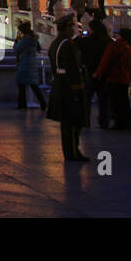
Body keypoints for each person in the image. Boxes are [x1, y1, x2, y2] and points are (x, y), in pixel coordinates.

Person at [47, 14, 89, 162]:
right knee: (72, 122)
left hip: (60, 84)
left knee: (67, 123)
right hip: (69, 87)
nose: (74, 28)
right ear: (66, 28)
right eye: (72, 25)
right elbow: (72, 68)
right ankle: (73, 152)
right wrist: (78, 88)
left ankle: (71, 152)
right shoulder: (67, 44)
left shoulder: (56, 44)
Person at [95, 27, 131, 131]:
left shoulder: (113, 46)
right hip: (125, 79)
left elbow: (105, 61)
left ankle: (118, 123)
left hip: (113, 78)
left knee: (115, 102)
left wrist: (98, 73)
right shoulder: (129, 49)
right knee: (124, 102)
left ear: (120, 35)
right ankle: (127, 124)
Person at [75, 18, 111, 129]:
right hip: (104, 73)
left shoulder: (87, 40)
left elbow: (76, 43)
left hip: (89, 72)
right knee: (103, 99)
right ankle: (104, 121)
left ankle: (85, 121)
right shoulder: (107, 41)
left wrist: (79, 36)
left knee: (86, 99)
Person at [13, 21, 47, 110]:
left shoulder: (25, 40)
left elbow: (16, 50)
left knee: (21, 86)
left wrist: (16, 41)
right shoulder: (34, 40)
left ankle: (22, 105)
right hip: (33, 64)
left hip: (24, 64)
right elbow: (38, 49)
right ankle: (43, 103)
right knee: (34, 86)